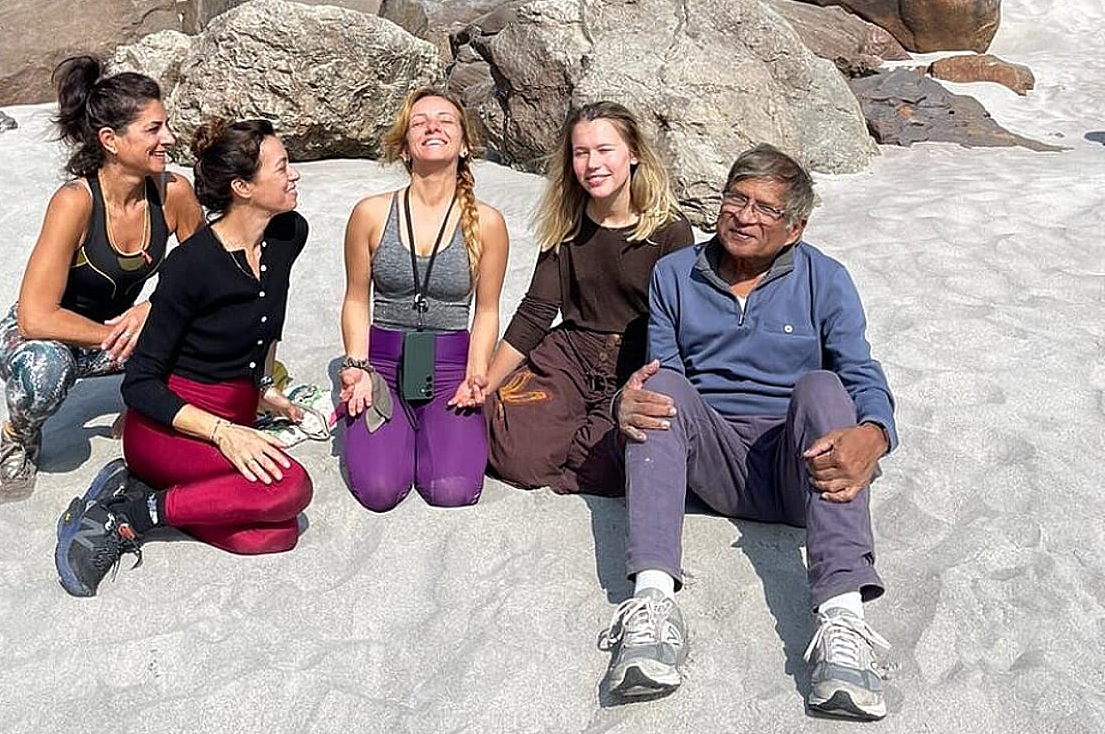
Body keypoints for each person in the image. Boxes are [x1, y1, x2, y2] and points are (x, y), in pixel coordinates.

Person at [600, 144, 897, 720]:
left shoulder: (826, 279)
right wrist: (624, 403)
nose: (744, 215)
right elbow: (665, 373)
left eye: (764, 208)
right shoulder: (675, 274)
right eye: (736, 197)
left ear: (794, 228)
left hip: (798, 468)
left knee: (822, 387)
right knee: (660, 391)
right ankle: (653, 605)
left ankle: (843, 621)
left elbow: (861, 371)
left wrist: (875, 433)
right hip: (710, 466)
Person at [54, 119, 313, 597]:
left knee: (278, 534)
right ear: (243, 187)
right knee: (291, 489)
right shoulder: (191, 265)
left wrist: (263, 389)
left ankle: (146, 496)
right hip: (172, 429)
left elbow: (269, 313)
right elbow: (140, 384)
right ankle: (128, 516)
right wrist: (224, 432)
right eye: (281, 167)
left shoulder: (288, 235)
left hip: (236, 416)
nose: (293, 175)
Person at [0, 55, 203, 504]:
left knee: (202, 329)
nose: (169, 138)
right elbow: (34, 316)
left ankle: (142, 415)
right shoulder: (75, 202)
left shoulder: (174, 194)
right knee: (46, 373)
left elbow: (209, 273)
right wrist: (117, 335)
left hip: (117, 334)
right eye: (154, 129)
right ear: (110, 140)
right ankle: (18, 436)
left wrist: (152, 308)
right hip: (45, 337)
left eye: (166, 125)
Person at [481, 101, 693, 496]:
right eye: (581, 153)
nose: (592, 163)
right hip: (570, 354)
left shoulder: (670, 230)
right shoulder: (567, 224)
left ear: (632, 155)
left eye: (604, 150)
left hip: (637, 360)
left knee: (608, 471)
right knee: (520, 461)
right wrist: (488, 383)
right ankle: (544, 430)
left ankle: (566, 443)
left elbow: (680, 323)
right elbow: (535, 314)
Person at [339, 88, 508, 512]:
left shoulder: (488, 223)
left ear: (465, 144)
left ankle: (433, 431)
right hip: (382, 364)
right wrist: (357, 366)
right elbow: (357, 300)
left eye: (446, 120)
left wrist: (477, 370)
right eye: (420, 122)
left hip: (452, 366)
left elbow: (487, 310)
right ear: (404, 147)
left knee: (450, 491)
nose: (433, 126)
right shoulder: (371, 214)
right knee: (379, 491)